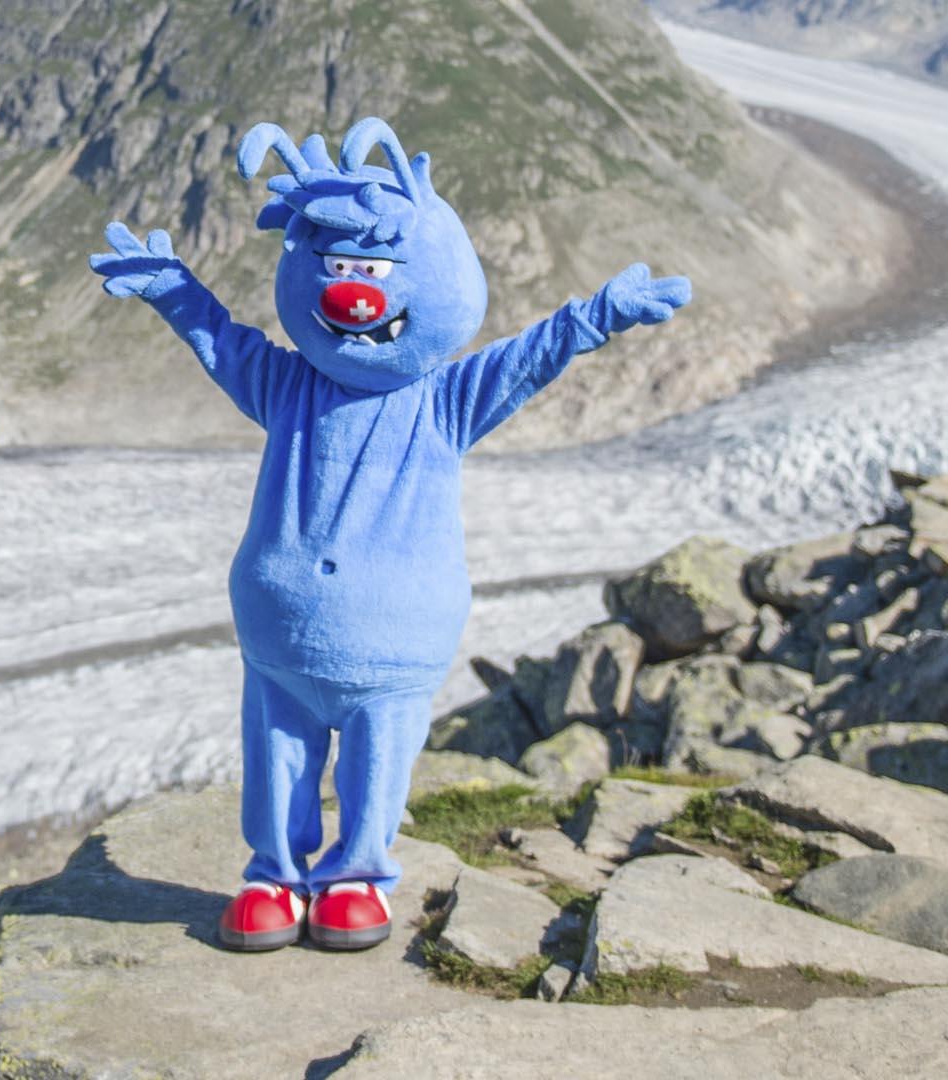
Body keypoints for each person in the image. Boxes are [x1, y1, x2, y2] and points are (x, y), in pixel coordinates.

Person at [88, 116, 691, 951]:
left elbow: (525, 360)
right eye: (337, 269)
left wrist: (597, 316)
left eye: (371, 271)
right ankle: (274, 877)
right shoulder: (287, 385)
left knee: (377, 763)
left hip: (393, 649)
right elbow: (224, 344)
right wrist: (174, 291)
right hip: (282, 642)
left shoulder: (443, 400)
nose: (352, 293)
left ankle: (355, 876)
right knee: (278, 754)